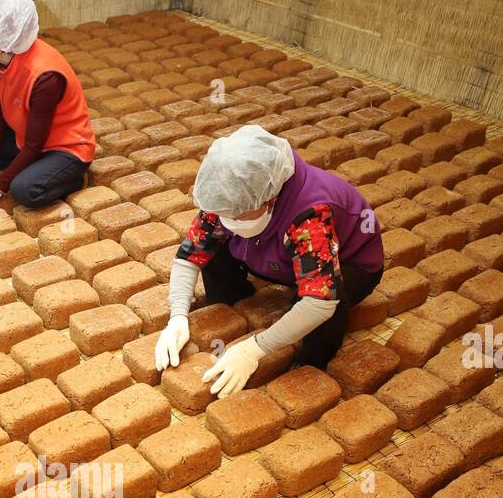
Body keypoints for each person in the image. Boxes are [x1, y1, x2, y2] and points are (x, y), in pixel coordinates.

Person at [155, 124, 384, 397]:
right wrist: (177, 317)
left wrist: (254, 349)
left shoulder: (310, 213)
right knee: (214, 245)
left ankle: (311, 363)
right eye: (224, 213)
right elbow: (191, 252)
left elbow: (319, 303)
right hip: (280, 254)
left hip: (350, 263)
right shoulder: (228, 189)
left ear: (271, 196)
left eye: (239, 215)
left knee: (327, 302)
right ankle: (232, 308)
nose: (229, 220)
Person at [0, 0, 95, 216]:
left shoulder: (45, 77)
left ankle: (71, 178)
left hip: (64, 148)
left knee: (24, 190)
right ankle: (32, 169)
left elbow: (35, 145)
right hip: (24, 136)